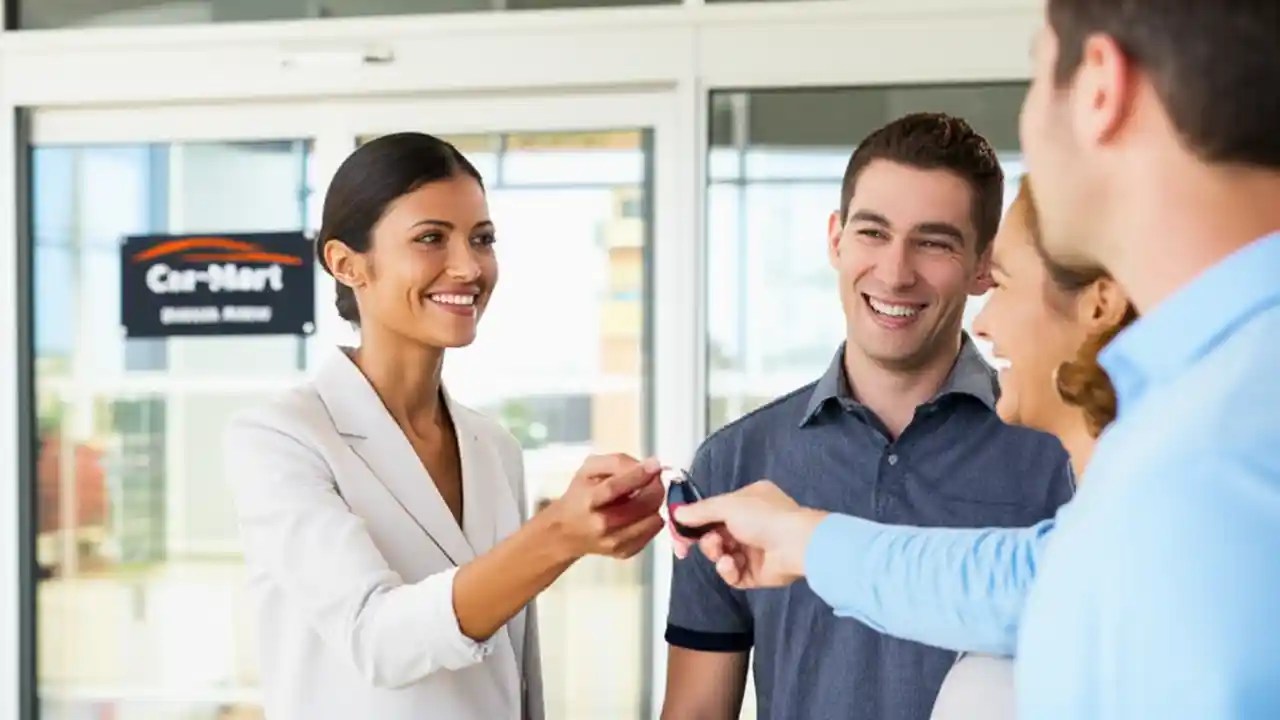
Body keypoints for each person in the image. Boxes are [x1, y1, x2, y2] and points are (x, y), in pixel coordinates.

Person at [674, 2, 1280, 717]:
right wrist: (806, 539)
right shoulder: (1197, 412)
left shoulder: (1200, 439)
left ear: (1097, 88)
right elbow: (1031, 578)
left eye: (1033, 75)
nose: (897, 271)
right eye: (874, 232)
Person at [223, 132, 667, 720]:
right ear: (346, 263)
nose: (468, 267)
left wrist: (570, 532)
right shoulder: (280, 438)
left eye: (481, 239)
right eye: (431, 238)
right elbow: (377, 638)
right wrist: (559, 534)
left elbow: (516, 671)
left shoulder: (493, 446)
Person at [660, 113, 1073, 720]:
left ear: (984, 265)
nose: (895, 271)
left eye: (933, 242)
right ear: (835, 238)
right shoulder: (734, 463)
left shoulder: (1056, 459)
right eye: (873, 233)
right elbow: (695, 712)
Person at [928, 176, 1134, 719]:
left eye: (1002, 283)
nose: (983, 322)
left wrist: (805, 541)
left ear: (1098, 305)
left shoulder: (1145, 545)